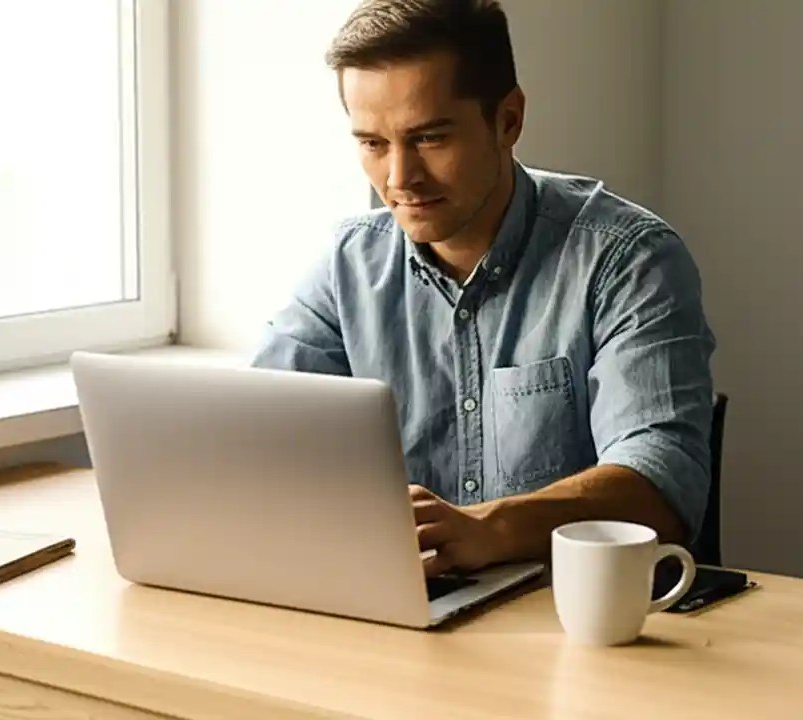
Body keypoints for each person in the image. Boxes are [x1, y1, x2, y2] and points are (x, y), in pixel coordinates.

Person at [251, 0, 716, 578]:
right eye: (373, 144)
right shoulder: (347, 266)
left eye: (429, 138)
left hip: (575, 624)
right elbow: (258, 437)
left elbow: (663, 482)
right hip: (399, 613)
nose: (400, 180)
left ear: (508, 120)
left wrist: (489, 528)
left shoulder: (627, 258)